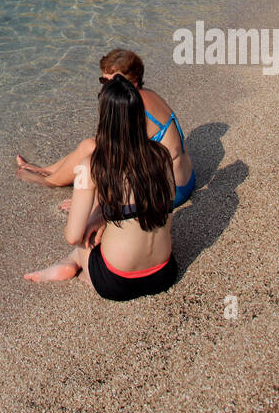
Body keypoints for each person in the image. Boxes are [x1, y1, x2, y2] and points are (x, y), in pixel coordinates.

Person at [24, 75, 178, 297]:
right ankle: (74, 262)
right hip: (164, 274)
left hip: (117, 282)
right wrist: (104, 217)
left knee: (83, 244)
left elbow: (73, 236)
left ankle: (72, 262)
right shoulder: (161, 155)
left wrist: (93, 216)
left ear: (105, 118)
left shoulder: (93, 167)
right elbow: (161, 206)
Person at [17, 48, 196, 208]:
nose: (106, 88)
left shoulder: (135, 109)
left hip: (168, 193)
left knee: (97, 152)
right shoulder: (144, 95)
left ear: (132, 83)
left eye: (112, 82)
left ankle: (49, 181)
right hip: (183, 178)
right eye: (104, 80)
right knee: (90, 144)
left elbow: (116, 160)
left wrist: (91, 205)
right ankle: (46, 170)